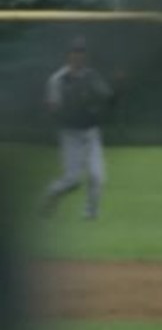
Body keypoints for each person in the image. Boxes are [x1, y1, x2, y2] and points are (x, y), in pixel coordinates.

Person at [40, 37, 117, 222]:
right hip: (70, 135)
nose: (78, 57)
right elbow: (53, 107)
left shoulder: (91, 76)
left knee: (97, 176)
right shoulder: (58, 79)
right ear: (68, 56)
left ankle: (90, 215)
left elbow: (107, 97)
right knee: (72, 180)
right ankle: (51, 194)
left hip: (91, 133)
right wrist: (62, 107)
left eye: (81, 54)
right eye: (75, 53)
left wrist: (112, 91)